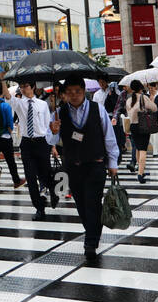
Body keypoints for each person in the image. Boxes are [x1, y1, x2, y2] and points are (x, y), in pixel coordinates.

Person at [47, 76, 120, 260]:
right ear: (64, 94)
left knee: (92, 203)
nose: (74, 95)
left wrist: (113, 163)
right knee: (81, 205)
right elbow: (51, 140)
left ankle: (90, 242)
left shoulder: (98, 109)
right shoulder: (59, 113)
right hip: (73, 166)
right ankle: (93, 230)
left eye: (77, 91)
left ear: (83, 91)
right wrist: (54, 131)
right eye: (69, 92)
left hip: (95, 164)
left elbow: (108, 137)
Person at [11, 81, 57, 220]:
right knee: (30, 178)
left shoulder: (42, 104)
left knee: (45, 175)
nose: (23, 89)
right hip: (26, 144)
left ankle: (54, 191)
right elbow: (7, 96)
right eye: (22, 87)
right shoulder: (19, 103)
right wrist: (1, 80)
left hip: (42, 142)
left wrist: (53, 146)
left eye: (26, 86)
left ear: (33, 87)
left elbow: (48, 126)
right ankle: (39, 208)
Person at [123, 80, 157, 184]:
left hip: (133, 126)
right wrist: (151, 99)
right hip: (143, 126)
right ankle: (140, 174)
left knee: (137, 148)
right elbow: (154, 108)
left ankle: (140, 170)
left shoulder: (129, 100)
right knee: (143, 150)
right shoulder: (144, 98)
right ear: (140, 88)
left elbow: (129, 112)